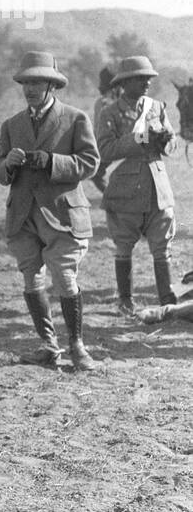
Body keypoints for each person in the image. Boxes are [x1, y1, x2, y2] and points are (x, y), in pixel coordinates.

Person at [0, 52, 100, 371]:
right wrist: (6, 165)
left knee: (65, 278)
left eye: (36, 82)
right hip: (23, 216)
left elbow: (90, 163)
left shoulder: (75, 118)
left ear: (52, 85)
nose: (29, 88)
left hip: (63, 215)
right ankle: (48, 346)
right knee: (30, 278)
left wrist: (52, 161)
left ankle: (77, 346)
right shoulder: (11, 124)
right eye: (25, 82)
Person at [96, 55, 179, 316]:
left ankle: (167, 299)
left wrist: (166, 140)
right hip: (126, 189)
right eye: (140, 78)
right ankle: (125, 301)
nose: (146, 82)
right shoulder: (110, 112)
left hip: (158, 186)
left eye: (149, 78)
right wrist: (139, 138)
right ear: (125, 82)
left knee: (162, 245)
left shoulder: (156, 107)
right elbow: (105, 149)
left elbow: (172, 144)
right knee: (124, 245)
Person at [91, 66, 118, 194]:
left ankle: (114, 196)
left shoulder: (101, 103)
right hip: (109, 144)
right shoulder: (113, 103)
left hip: (107, 145)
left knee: (96, 174)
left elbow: (97, 127)